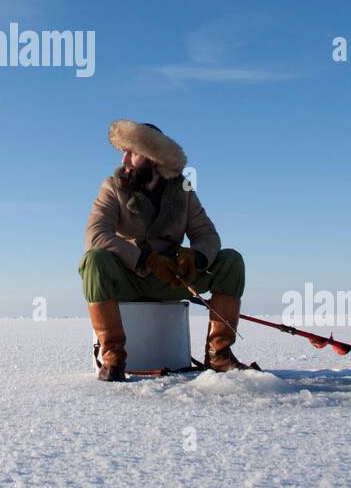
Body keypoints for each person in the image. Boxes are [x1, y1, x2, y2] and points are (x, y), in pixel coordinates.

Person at [78, 119, 258, 380]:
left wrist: (193, 258)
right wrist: (145, 260)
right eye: (124, 152)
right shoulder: (113, 187)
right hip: (129, 277)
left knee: (231, 260)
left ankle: (219, 354)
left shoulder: (182, 189)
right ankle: (113, 357)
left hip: (171, 278)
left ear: (154, 157)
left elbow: (207, 235)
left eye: (133, 152)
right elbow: (95, 235)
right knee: (94, 260)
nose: (125, 159)